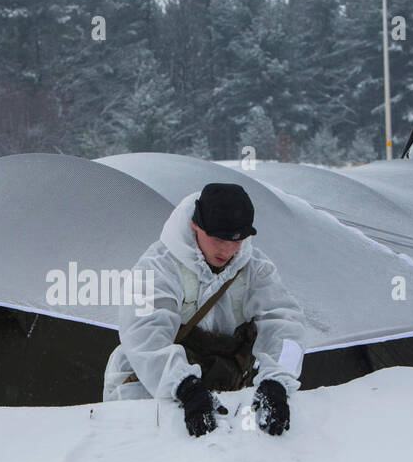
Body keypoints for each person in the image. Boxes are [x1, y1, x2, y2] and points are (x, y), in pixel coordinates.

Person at [102, 183, 306, 437]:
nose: (228, 250)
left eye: (238, 240)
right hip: (152, 395)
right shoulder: (158, 267)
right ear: (195, 226)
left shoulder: (257, 270)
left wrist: (277, 381)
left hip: (227, 399)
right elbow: (145, 335)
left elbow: (286, 324)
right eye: (219, 239)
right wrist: (184, 386)